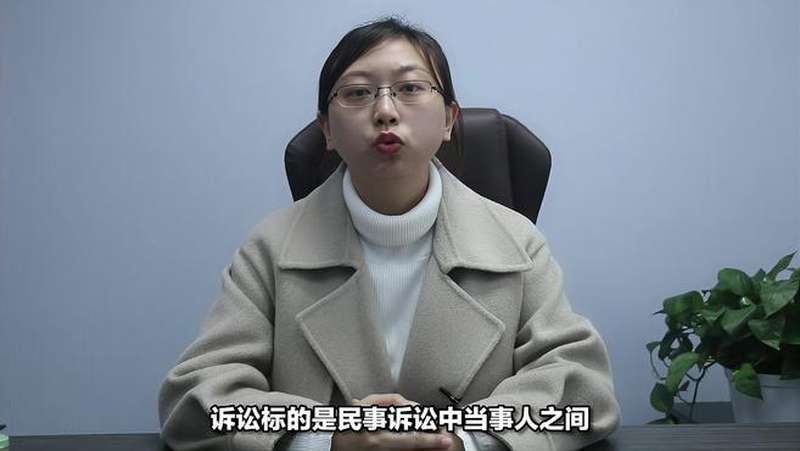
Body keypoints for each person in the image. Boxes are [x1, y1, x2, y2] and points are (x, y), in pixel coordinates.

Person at [159, 16, 621, 451]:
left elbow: (583, 395)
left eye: (410, 88)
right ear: (327, 130)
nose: (384, 111)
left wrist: (464, 440)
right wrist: (328, 438)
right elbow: (197, 400)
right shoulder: (270, 248)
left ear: (448, 120)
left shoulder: (518, 243)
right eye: (358, 93)